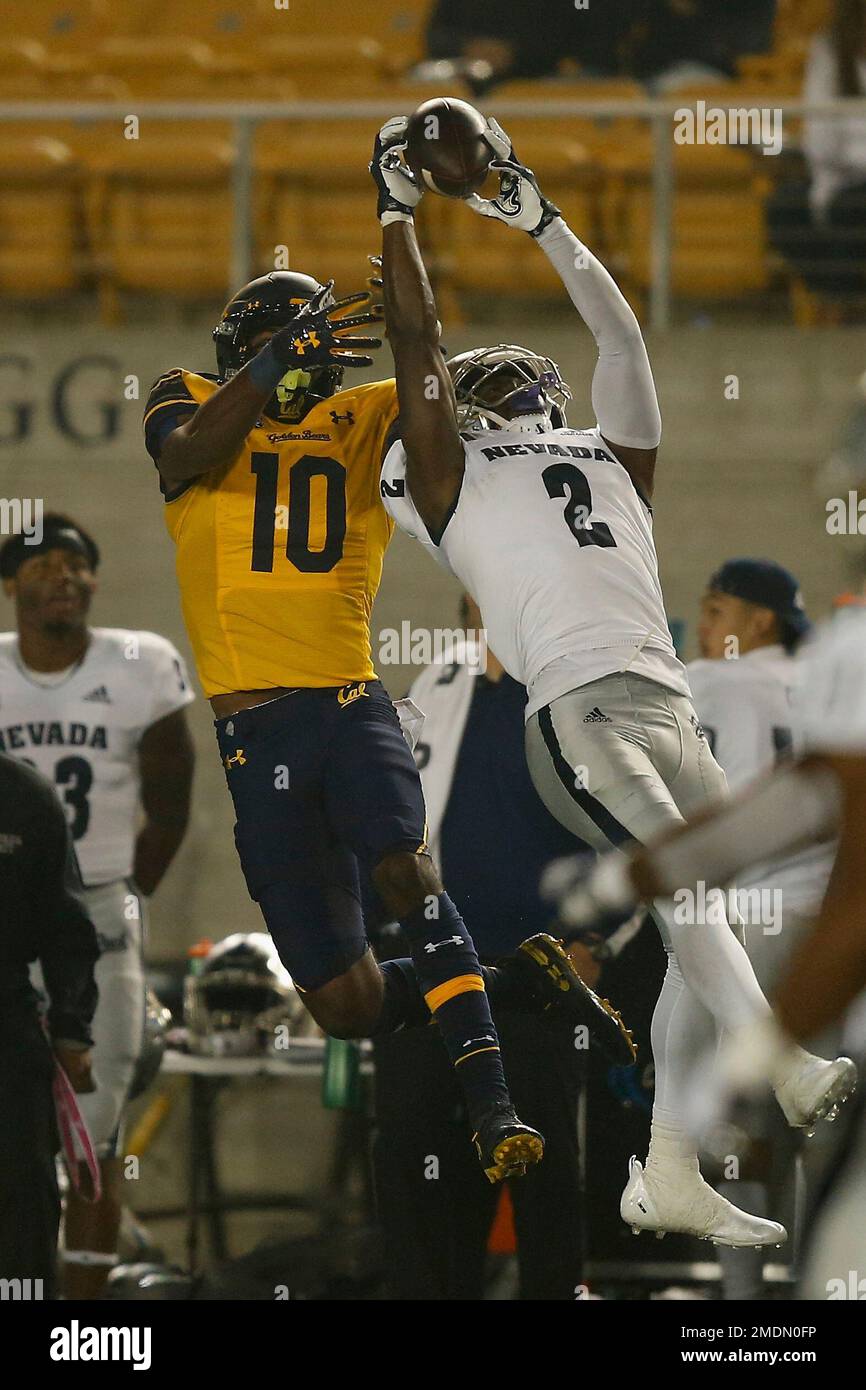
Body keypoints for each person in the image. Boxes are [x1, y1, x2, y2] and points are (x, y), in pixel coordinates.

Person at [372, 110, 851, 1248]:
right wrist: (392, 207)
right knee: (686, 888)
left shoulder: (604, 460)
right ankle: (774, 1062)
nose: (535, 388)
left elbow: (623, 347)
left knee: (712, 910)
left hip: (665, 700)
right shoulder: (447, 478)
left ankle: (669, 1166)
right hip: (574, 710)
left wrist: (541, 220)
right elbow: (414, 343)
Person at [143, 272, 628, 1185]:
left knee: (406, 869)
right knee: (345, 1003)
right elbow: (187, 455)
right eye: (292, 345)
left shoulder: (363, 414)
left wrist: (401, 236)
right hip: (254, 735)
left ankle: (494, 1108)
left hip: (347, 700)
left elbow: (433, 371)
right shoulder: (192, 399)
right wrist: (275, 361)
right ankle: (516, 979)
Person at [550, 604, 866, 1297]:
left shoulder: (832, 658)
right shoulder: (839, 656)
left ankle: (739, 1289)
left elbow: (800, 829)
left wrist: (762, 1054)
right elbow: (793, 809)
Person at [372, 596, 593, 1300]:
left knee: (546, 1179)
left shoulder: (578, 695)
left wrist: (598, 939)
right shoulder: (438, 685)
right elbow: (393, 823)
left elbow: (631, 827)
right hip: (430, 966)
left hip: (532, 975)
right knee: (421, 1169)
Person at [0, 513, 195, 1298]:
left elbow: (173, 802)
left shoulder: (140, 663)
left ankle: (75, 1324)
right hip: (10, 933)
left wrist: (118, 895)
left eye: (79, 564)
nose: (66, 577)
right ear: (11, 585)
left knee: (92, 1136)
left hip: (103, 917)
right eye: (44, 564)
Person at [0, 752, 99, 1301]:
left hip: (5, 1020)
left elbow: (66, 929)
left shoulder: (23, 797)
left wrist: (71, 1027)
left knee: (20, 1204)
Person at [768, 0, 866, 305]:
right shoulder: (831, 52)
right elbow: (821, 139)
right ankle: (843, 304)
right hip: (841, 186)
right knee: (783, 207)